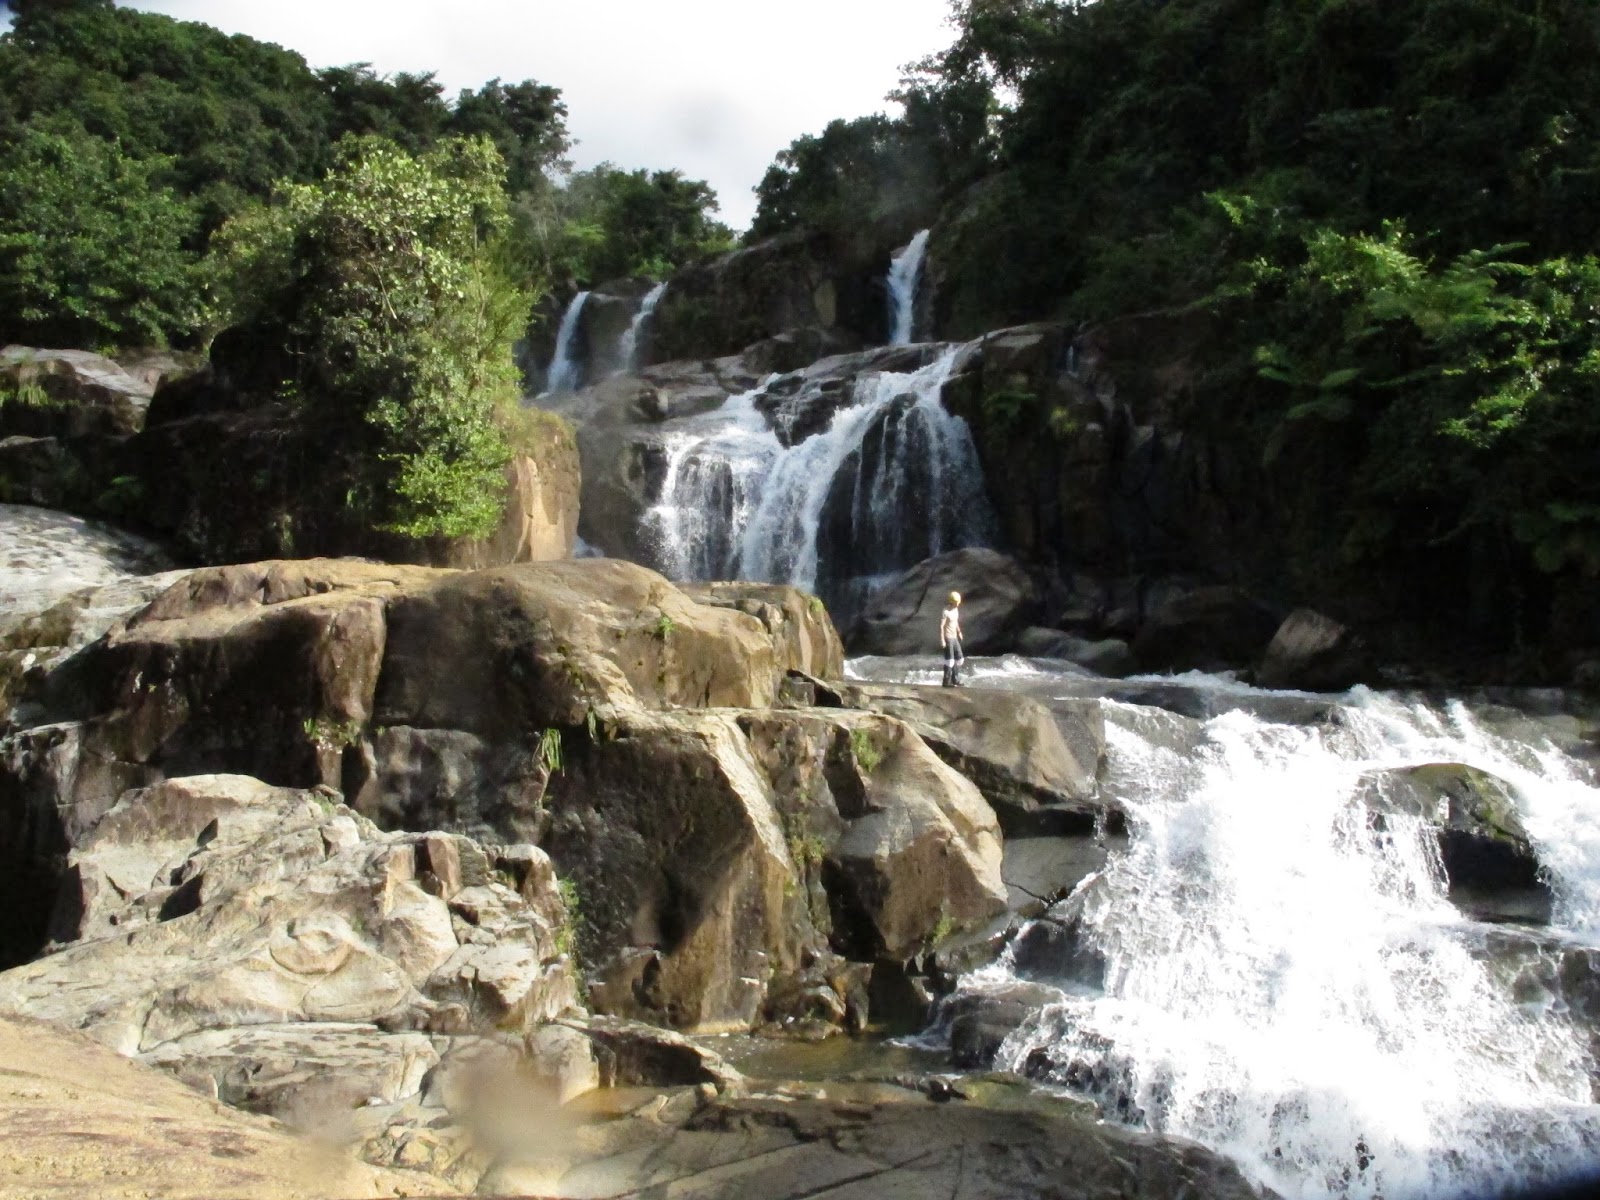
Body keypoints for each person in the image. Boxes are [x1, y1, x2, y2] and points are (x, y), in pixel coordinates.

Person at [940, 590, 965, 687]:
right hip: (948, 637)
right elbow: (941, 626)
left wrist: (959, 632)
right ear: (952, 602)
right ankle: (946, 681)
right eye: (956, 602)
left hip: (954, 637)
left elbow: (956, 622)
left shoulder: (956, 610)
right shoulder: (946, 611)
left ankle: (955, 679)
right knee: (949, 661)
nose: (958, 604)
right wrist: (942, 639)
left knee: (959, 659)